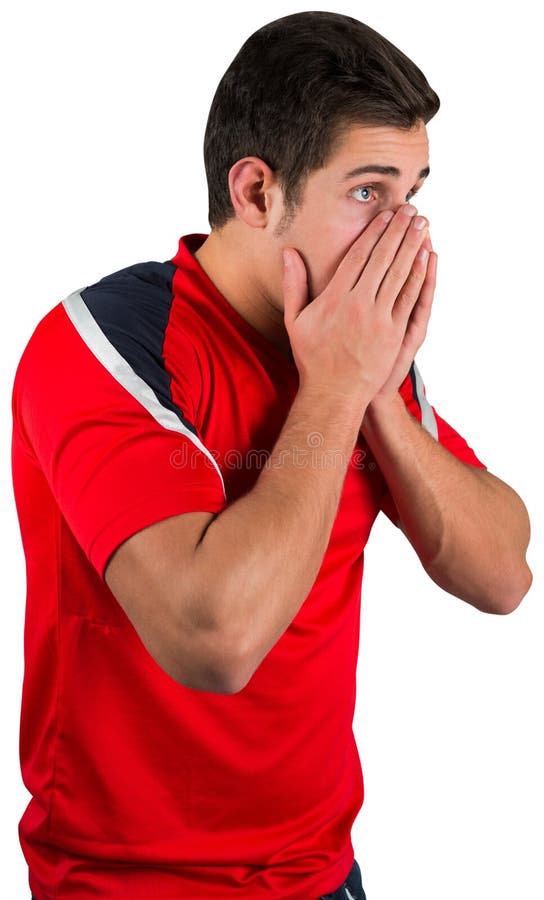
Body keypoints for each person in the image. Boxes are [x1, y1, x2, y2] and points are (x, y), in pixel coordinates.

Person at [11, 10, 532, 900]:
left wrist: (373, 394)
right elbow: (215, 640)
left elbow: (504, 574)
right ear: (255, 192)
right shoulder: (100, 346)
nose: (405, 236)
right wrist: (334, 390)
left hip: (324, 872)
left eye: (415, 194)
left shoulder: (352, 349)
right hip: (129, 884)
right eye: (370, 193)